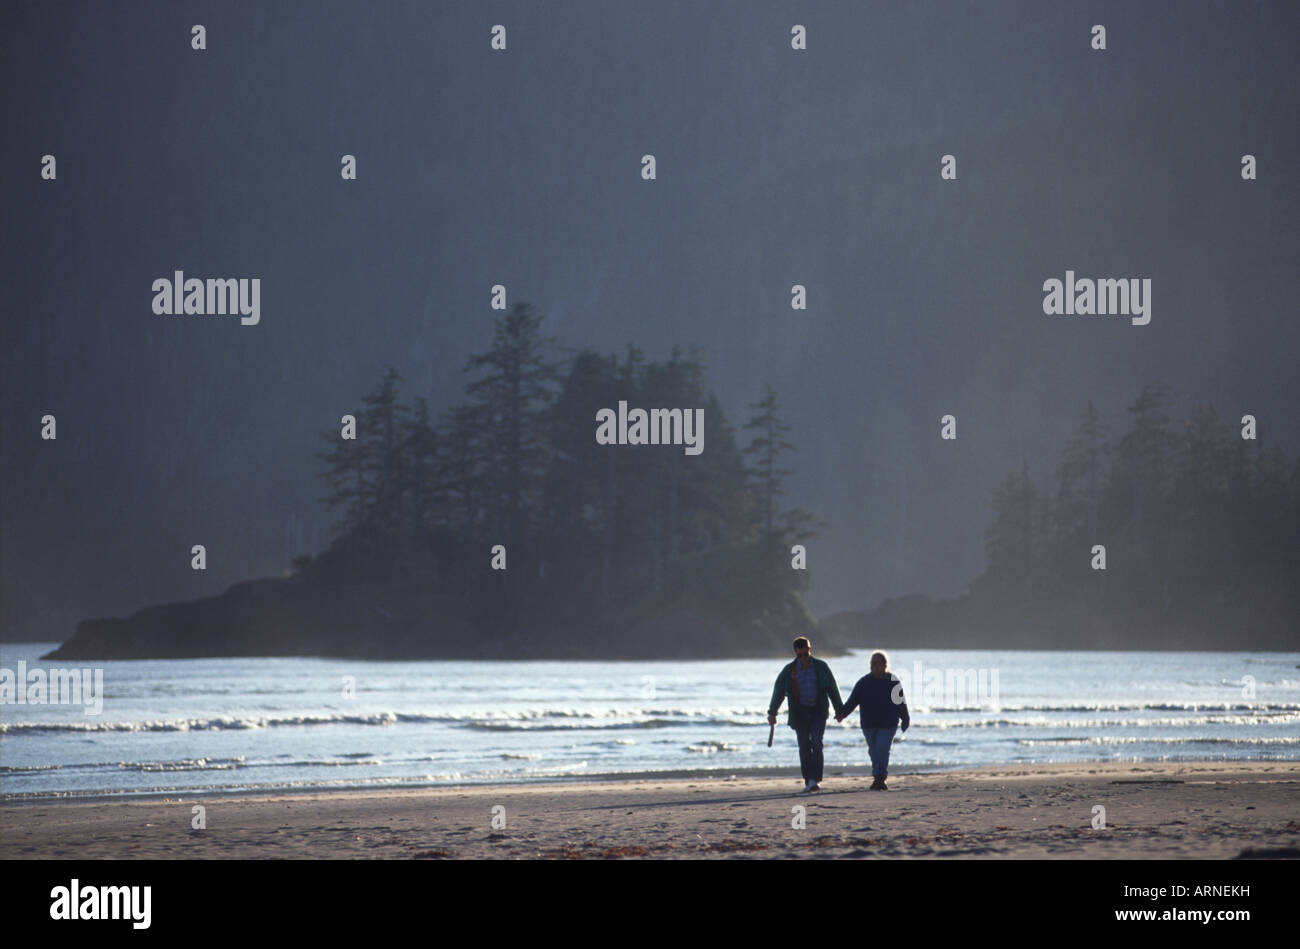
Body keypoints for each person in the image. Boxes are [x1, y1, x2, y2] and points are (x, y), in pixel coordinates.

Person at [767, 636, 844, 793]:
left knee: (816, 743)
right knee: (803, 747)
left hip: (818, 711)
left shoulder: (821, 667)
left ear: (810, 650)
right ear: (795, 653)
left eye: (805, 654)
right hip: (799, 713)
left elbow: (832, 689)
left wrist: (839, 710)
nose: (803, 658)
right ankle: (809, 781)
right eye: (799, 655)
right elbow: (779, 691)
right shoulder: (789, 670)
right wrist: (772, 712)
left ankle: (815, 779)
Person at [836, 650, 910, 790]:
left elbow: (901, 702)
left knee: (882, 749)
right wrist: (842, 714)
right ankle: (878, 775)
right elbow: (852, 701)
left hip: (888, 724)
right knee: (874, 751)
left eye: (878, 664)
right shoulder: (863, 682)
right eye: (872, 664)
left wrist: (905, 719)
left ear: (884, 665)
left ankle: (880, 778)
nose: (874, 666)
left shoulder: (892, 682)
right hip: (869, 724)